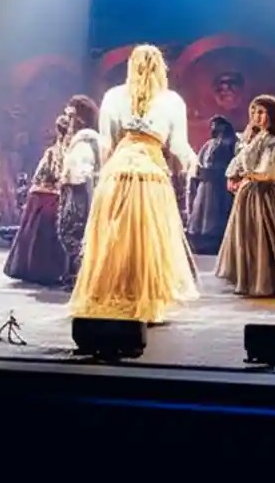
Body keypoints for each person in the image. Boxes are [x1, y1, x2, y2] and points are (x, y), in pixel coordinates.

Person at [70, 45, 200, 323]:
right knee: (148, 238)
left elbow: (107, 143)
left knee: (114, 237)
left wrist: (103, 174)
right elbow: (178, 145)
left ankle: (112, 292)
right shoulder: (172, 100)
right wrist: (192, 163)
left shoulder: (113, 96)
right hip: (150, 173)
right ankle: (143, 296)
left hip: (118, 172)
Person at [215, 94, 275, 297]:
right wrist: (233, 175)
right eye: (254, 112)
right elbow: (240, 160)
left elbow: (268, 172)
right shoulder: (255, 139)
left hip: (269, 197)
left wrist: (246, 175)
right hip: (250, 194)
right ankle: (251, 280)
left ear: (272, 115)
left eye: (261, 112)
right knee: (250, 240)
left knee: (270, 240)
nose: (256, 116)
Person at [3, 114, 68, 286]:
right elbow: (42, 176)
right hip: (48, 195)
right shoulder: (56, 152)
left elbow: (41, 175)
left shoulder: (59, 151)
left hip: (49, 196)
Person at [56, 95, 101, 289]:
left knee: (74, 232)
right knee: (71, 232)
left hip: (79, 191)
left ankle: (81, 277)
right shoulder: (80, 140)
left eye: (71, 116)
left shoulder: (85, 141)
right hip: (75, 189)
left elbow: (83, 173)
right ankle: (75, 275)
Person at [187, 115, 238, 254]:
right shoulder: (209, 144)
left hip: (221, 183)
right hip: (207, 182)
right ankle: (202, 241)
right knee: (203, 211)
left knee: (219, 211)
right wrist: (200, 172)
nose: (214, 128)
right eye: (213, 125)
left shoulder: (231, 143)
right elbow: (200, 161)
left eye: (217, 125)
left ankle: (218, 242)